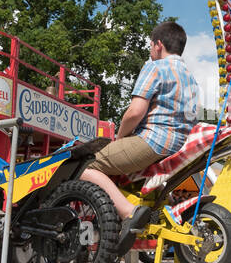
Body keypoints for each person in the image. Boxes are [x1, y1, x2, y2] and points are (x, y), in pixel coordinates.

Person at [81, 21, 199, 250]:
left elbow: (135, 112)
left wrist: (120, 137)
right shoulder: (191, 78)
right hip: (180, 145)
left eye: (150, 46)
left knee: (85, 165)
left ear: (158, 45)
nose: (150, 51)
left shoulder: (156, 67)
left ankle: (128, 212)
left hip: (153, 141)